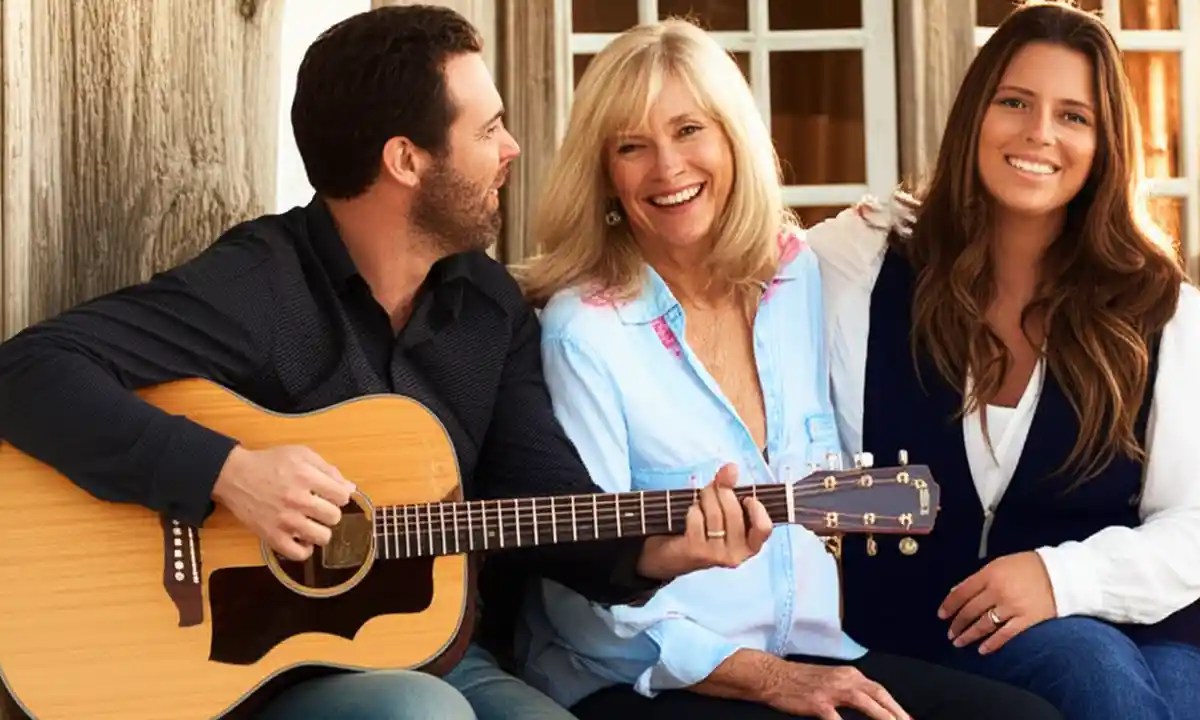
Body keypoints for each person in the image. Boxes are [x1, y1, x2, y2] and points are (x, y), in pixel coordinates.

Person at [0, 7, 769, 720]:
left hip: (431, 652)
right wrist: (228, 473)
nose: (512, 149)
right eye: (489, 129)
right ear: (406, 159)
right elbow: (26, 370)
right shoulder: (261, 286)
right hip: (237, 669)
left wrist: (659, 551)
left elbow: (543, 502)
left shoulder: (489, 308)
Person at [513, 18, 1063, 720]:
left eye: (689, 131)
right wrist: (770, 679)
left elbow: (916, 226)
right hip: (648, 674)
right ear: (604, 176)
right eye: (631, 146)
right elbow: (579, 597)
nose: (667, 168)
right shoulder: (586, 329)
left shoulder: (792, 275)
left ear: (733, 139)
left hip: (812, 650)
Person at [808, 4, 1200, 720]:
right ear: (975, 114)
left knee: (1161, 692)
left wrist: (1058, 577)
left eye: (1074, 116)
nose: (1039, 132)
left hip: (1133, 616)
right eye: (1014, 102)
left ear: (1105, 143)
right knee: (1094, 668)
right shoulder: (864, 262)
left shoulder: (1156, 303)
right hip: (935, 622)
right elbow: (735, 253)